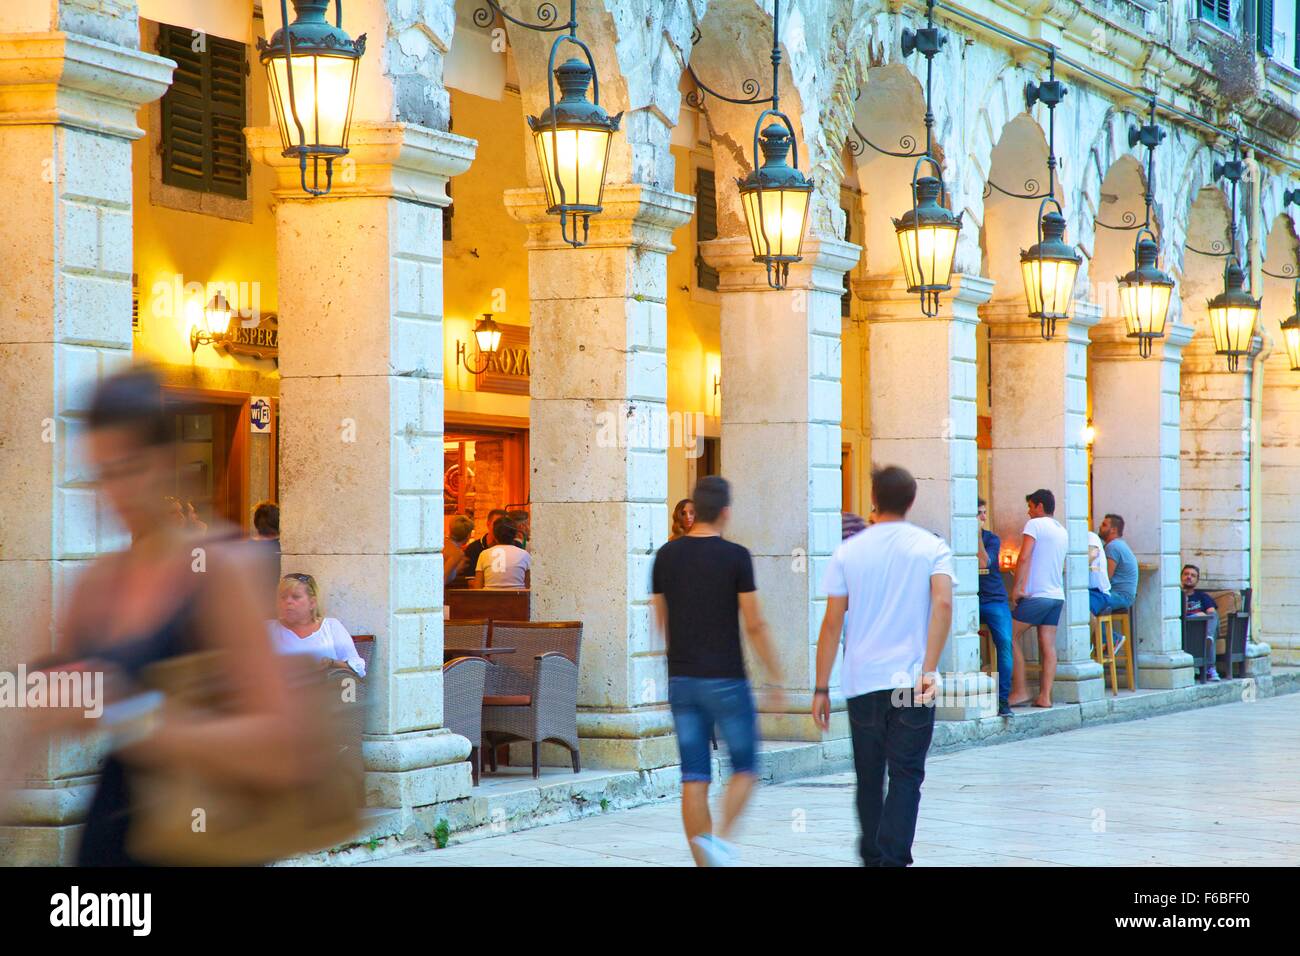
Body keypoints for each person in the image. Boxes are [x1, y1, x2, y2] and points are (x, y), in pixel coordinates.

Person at [9, 367, 309, 866]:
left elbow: (281, 746)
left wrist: (128, 712)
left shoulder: (217, 569)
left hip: (205, 839)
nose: (116, 494)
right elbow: (26, 725)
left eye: (129, 469)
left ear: (166, 461)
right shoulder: (95, 584)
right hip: (111, 843)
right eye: (103, 475)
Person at [813, 465, 955, 867]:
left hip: (863, 680)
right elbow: (943, 603)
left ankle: (873, 856)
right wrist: (929, 667)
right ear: (911, 501)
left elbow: (831, 623)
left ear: (873, 499)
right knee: (907, 774)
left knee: (870, 775)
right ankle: (893, 858)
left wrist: (822, 687)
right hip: (911, 680)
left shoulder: (849, 550)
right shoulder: (931, 547)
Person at [651, 476, 783, 867]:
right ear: (726, 511)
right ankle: (722, 842)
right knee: (745, 766)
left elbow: (661, 620)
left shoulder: (666, 555)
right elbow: (755, 624)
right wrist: (775, 676)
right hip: (726, 678)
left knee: (694, 777)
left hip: (682, 678)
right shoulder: (736, 557)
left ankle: (706, 863)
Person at [1007, 489, 1068, 709]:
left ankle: (1020, 690)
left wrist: (1017, 588)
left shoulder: (1035, 525)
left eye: (1031, 506)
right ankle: (1045, 696)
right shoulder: (1062, 530)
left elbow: (1024, 556)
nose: (1028, 511)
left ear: (1040, 506)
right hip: (1056, 596)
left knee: (1008, 635)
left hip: (1036, 595)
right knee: (1047, 645)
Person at [268, 573, 367, 678]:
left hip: (324, 691)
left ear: (312, 602)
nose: (288, 601)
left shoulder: (331, 627)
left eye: (295, 597)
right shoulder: (267, 629)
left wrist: (331, 663)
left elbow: (358, 669)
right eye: (283, 597)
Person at [976, 498, 1014, 718]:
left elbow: (983, 563)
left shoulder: (991, 539)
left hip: (993, 599)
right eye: (979, 513)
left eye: (984, 513)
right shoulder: (956, 539)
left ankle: (1002, 700)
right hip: (968, 600)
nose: (983, 517)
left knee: (1005, 643)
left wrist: (976, 535)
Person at [1099, 515, 1139, 645]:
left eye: (1104, 525)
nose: (1100, 527)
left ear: (1113, 530)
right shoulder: (1120, 545)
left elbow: (1106, 578)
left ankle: (1111, 639)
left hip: (1120, 596)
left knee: (1088, 602)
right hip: (1125, 595)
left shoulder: (1113, 547)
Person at [1181, 564, 1222, 682]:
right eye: (1186, 574)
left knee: (1212, 618)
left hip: (1201, 628)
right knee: (1206, 630)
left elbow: (1211, 613)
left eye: (1193, 575)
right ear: (1181, 577)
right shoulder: (1176, 594)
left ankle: (1208, 639)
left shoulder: (1202, 596)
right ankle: (1210, 667)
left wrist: (1201, 617)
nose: (1189, 577)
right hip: (1185, 627)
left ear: (1197, 580)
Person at [474, 518, 531, 589]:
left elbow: (477, 588)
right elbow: (529, 588)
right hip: (517, 599)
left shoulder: (484, 554)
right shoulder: (524, 555)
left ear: (494, 535)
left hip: (489, 598)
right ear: (515, 535)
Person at [461, 508, 507, 583]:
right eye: (496, 524)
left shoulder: (514, 547)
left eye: (503, 526)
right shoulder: (473, 548)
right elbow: (471, 582)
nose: (500, 529)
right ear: (488, 524)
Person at [1086, 528, 1112, 616]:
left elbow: (1091, 556)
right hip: (1085, 591)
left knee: (1082, 612)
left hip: (1098, 593)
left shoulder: (1091, 537)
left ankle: (1091, 629)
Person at [444, 515, 474, 589]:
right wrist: (457, 569)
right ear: (468, 535)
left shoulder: (442, 542)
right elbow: (442, 580)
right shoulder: (457, 553)